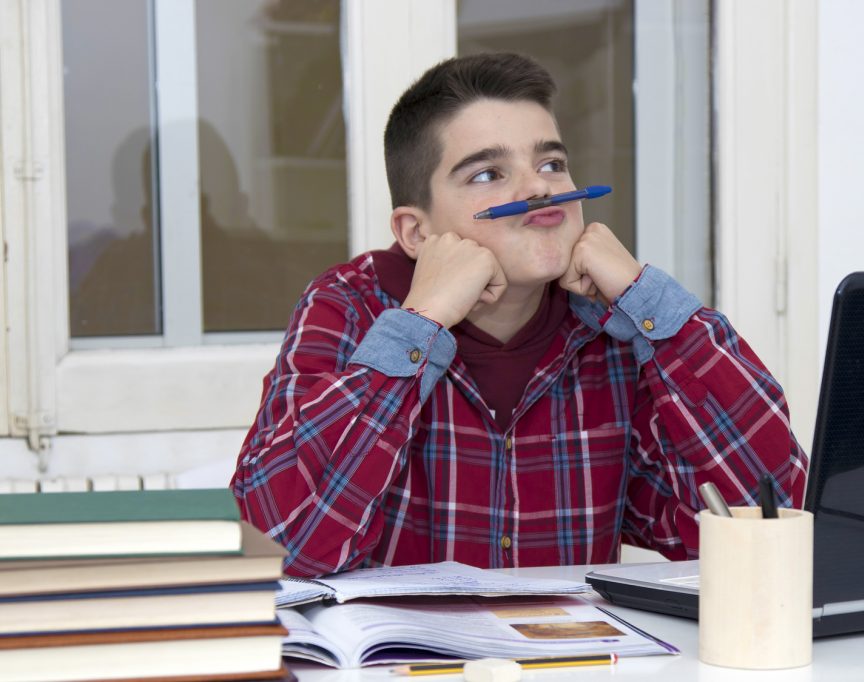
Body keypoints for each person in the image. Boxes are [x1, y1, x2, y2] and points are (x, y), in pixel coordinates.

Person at [231, 53, 807, 577]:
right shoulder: (347, 305)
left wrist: (649, 300)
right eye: (488, 174)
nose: (539, 189)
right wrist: (422, 322)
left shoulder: (613, 330)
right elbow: (283, 545)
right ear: (416, 232)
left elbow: (769, 524)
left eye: (552, 163)